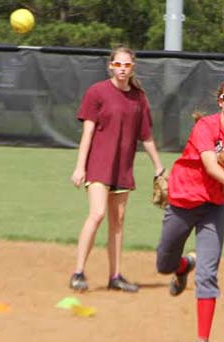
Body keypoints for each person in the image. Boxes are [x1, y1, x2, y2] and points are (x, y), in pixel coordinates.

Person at [155, 78, 224, 342]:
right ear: (220, 101)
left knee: (208, 275)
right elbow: (210, 165)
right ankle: (183, 264)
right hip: (183, 201)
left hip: (212, 208)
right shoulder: (205, 127)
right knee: (164, 264)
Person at [69, 46, 165, 293]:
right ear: (110, 65)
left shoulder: (138, 98)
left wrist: (158, 166)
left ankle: (115, 276)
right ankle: (78, 271)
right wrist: (80, 167)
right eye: (118, 64)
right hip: (99, 164)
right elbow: (87, 133)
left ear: (133, 67)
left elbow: (147, 137)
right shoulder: (97, 92)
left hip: (123, 166)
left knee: (118, 221)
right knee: (98, 213)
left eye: (127, 65)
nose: (122, 69)